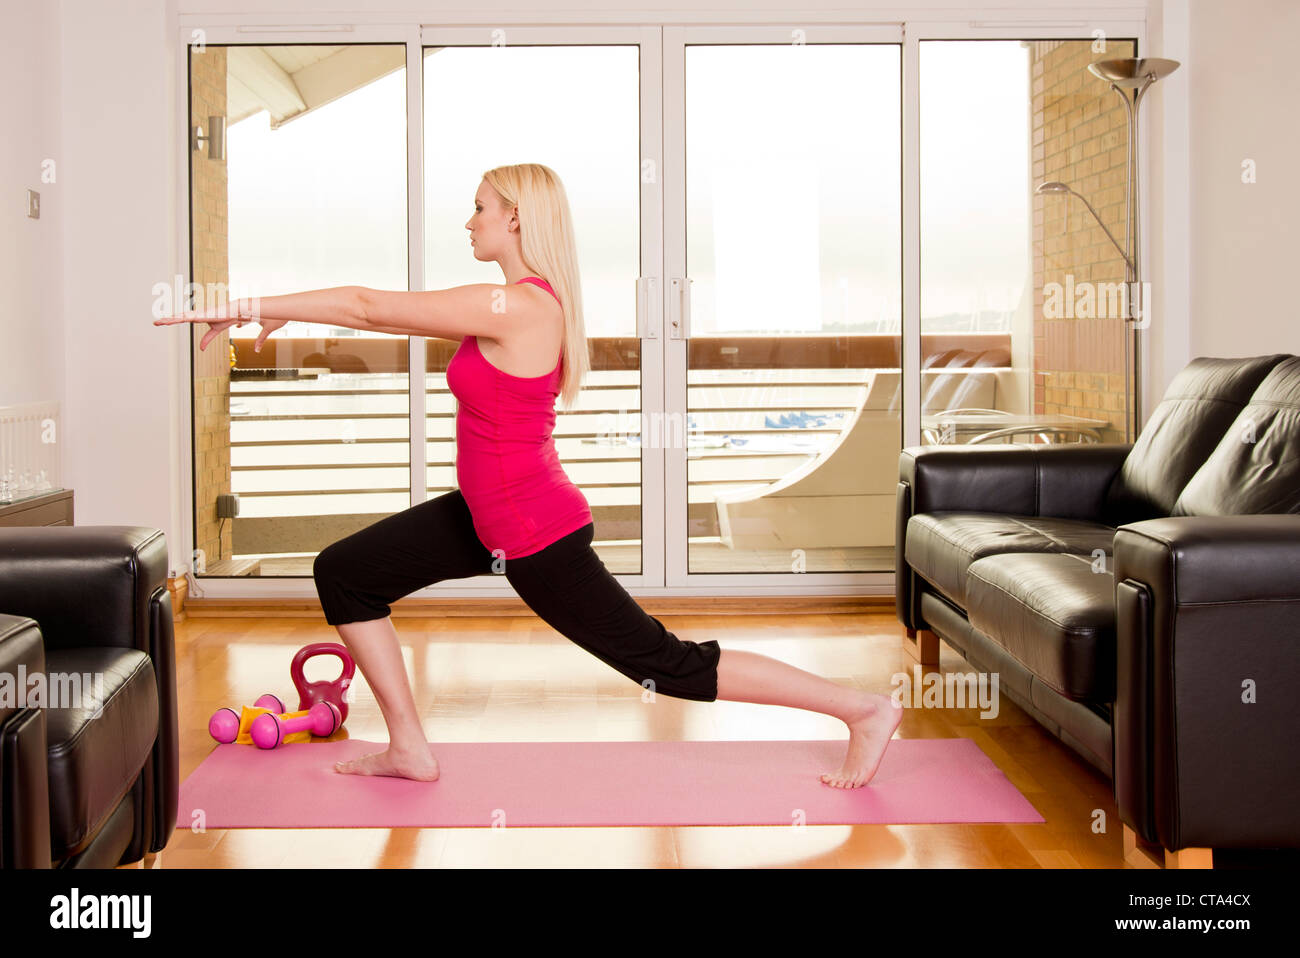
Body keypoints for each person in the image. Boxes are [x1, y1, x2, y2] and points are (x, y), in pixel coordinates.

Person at [155, 163, 903, 788]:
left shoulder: (520, 307)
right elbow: (371, 311)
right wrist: (283, 313)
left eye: (480, 207)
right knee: (345, 573)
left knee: (665, 664)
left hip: (531, 530)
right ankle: (409, 748)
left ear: (516, 219)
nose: (470, 220)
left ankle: (860, 709)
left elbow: (369, 306)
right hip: (487, 516)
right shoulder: (516, 303)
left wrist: (256, 304)